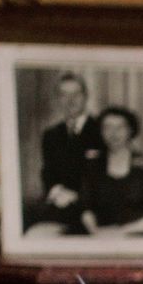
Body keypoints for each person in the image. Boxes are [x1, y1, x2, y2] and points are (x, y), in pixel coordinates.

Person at [28, 73, 104, 234]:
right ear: (58, 99)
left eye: (76, 94)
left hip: (94, 206)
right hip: (59, 203)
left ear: (86, 96)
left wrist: (75, 196)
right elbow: (47, 171)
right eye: (64, 95)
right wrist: (56, 191)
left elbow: (103, 173)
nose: (70, 100)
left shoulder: (102, 130)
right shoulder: (51, 134)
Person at [78, 106, 143, 236]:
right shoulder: (92, 165)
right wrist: (95, 232)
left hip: (140, 236)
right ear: (100, 131)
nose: (113, 133)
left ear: (130, 130)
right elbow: (85, 207)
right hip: (99, 236)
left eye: (120, 127)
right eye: (107, 127)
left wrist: (118, 233)